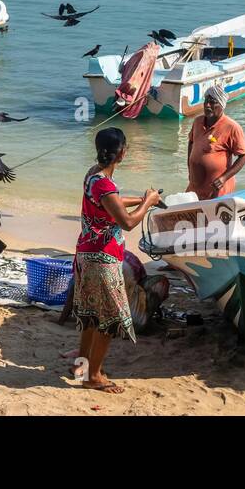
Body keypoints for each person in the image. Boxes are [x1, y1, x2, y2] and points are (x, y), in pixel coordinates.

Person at [72, 127, 159, 394]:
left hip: (86, 253)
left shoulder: (93, 176)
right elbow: (128, 221)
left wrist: (143, 200)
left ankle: (82, 367)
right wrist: (147, 204)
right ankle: (94, 376)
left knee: (90, 315)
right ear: (122, 153)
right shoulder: (105, 184)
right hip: (103, 258)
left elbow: (113, 202)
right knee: (110, 319)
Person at [186, 84, 245, 200]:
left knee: (213, 217)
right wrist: (189, 167)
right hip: (195, 187)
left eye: (212, 102)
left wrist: (224, 178)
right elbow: (191, 142)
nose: (207, 105)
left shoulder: (232, 127)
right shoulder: (197, 122)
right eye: (206, 101)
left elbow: (244, 156)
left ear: (221, 105)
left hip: (218, 190)